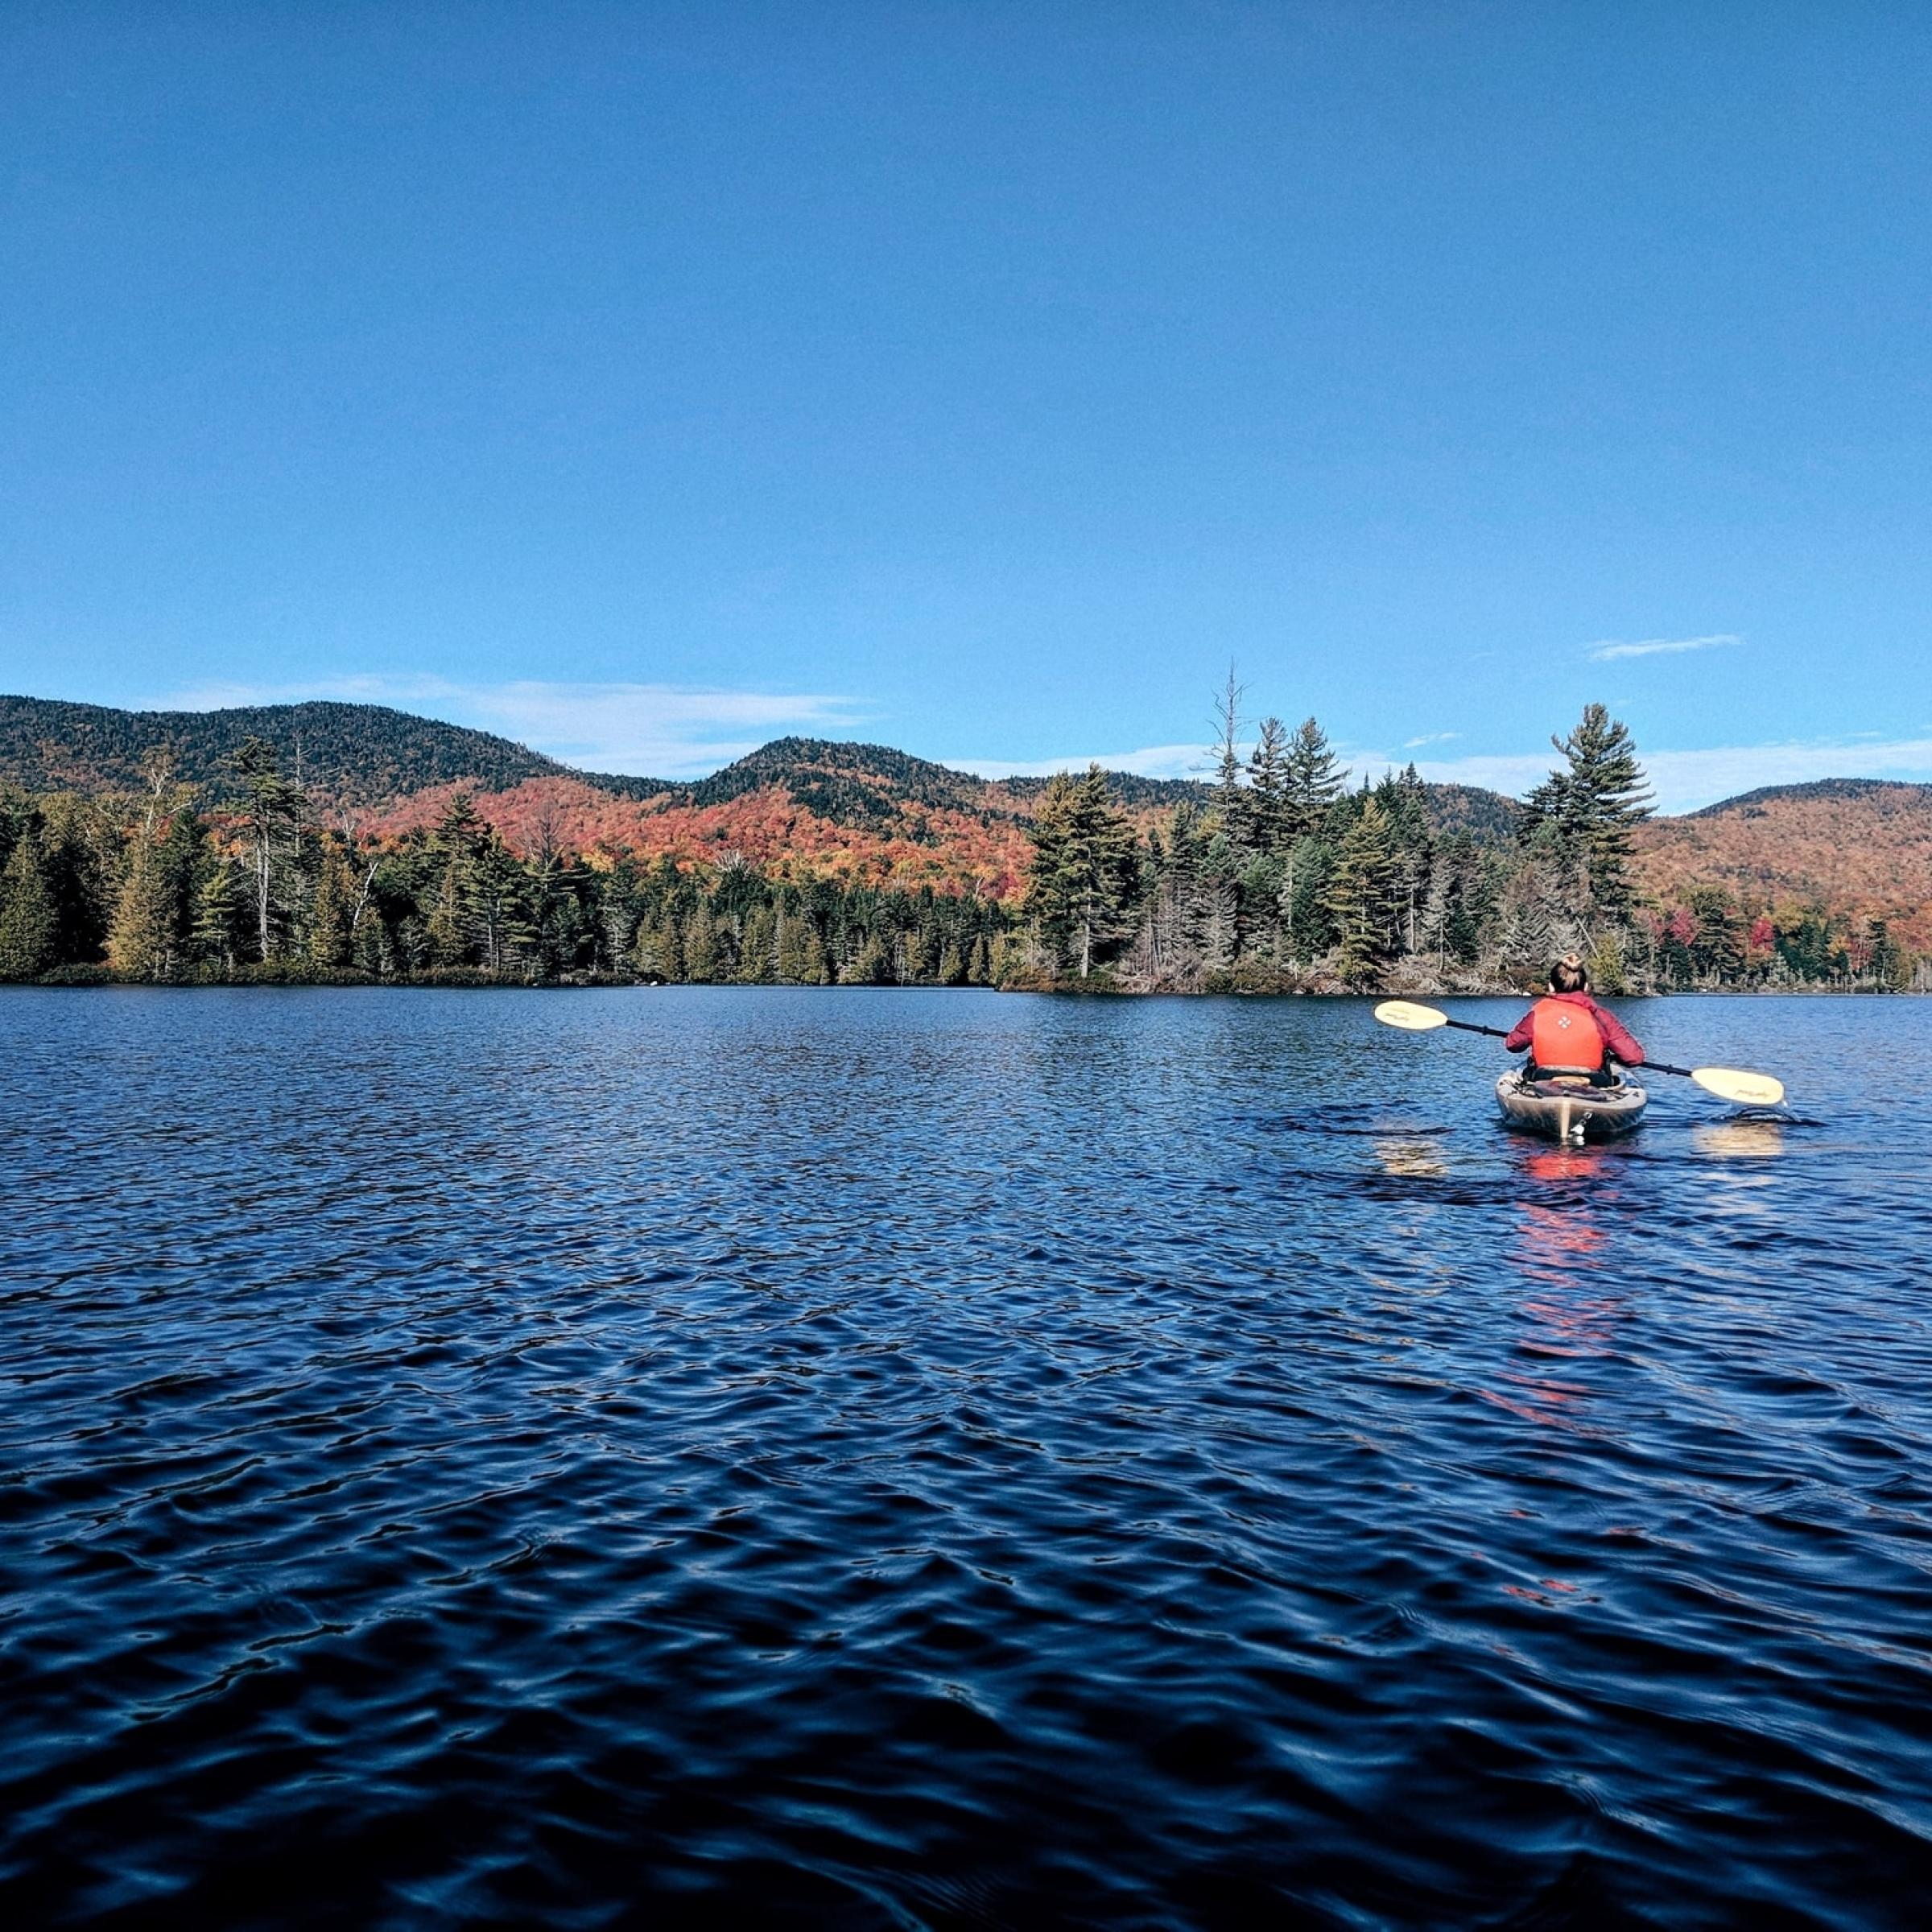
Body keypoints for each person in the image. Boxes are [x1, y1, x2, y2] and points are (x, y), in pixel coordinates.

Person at [1505, 954, 1645, 1085]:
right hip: (1594, 1084)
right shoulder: (1600, 1016)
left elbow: (1512, 1044)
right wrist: (1613, 1057)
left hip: (1544, 1081)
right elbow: (1634, 1057)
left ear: (1551, 986)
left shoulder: (1537, 1014)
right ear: (1586, 987)